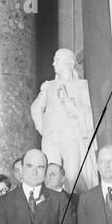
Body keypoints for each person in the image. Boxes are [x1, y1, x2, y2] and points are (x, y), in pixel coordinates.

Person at [31, 48, 96, 192]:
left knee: (72, 176)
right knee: (49, 177)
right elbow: (36, 108)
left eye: (57, 60)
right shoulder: (48, 86)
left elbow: (88, 112)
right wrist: (43, 128)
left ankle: (74, 209)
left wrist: (70, 104)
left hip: (70, 135)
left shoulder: (81, 86)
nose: (53, 64)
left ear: (68, 63)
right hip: (50, 136)